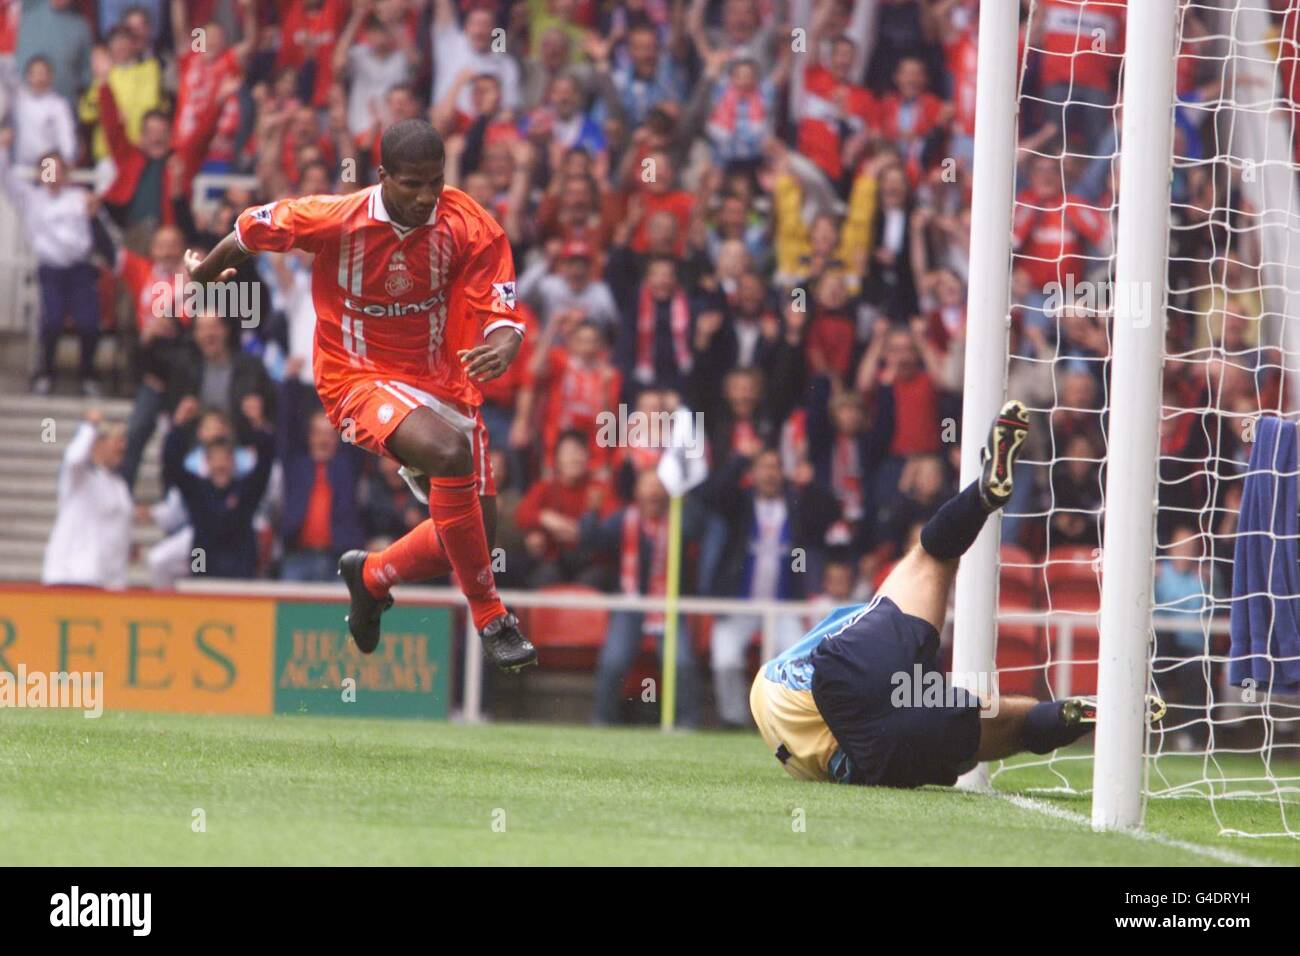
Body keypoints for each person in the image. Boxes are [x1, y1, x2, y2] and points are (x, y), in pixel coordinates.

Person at [184, 118, 535, 671]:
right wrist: (202, 277)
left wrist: (505, 346)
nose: (425, 196)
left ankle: (371, 576)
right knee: (449, 454)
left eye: (435, 182)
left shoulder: (470, 224)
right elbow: (250, 234)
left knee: (466, 538)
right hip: (355, 377)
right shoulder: (335, 218)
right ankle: (492, 616)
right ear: (382, 177)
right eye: (412, 184)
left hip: (443, 380)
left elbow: (503, 313)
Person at [750, 400, 1165, 786]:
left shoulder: (873, 641)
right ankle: (982, 494)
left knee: (993, 719)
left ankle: (1082, 711)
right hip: (873, 711)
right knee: (932, 562)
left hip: (854, 745)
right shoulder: (880, 628)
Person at [42, 408, 131, 590]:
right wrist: (89, 427)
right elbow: (74, 459)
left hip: (107, 580)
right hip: (72, 576)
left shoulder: (119, 485)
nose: (122, 447)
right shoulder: (79, 478)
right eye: (117, 441)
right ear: (98, 444)